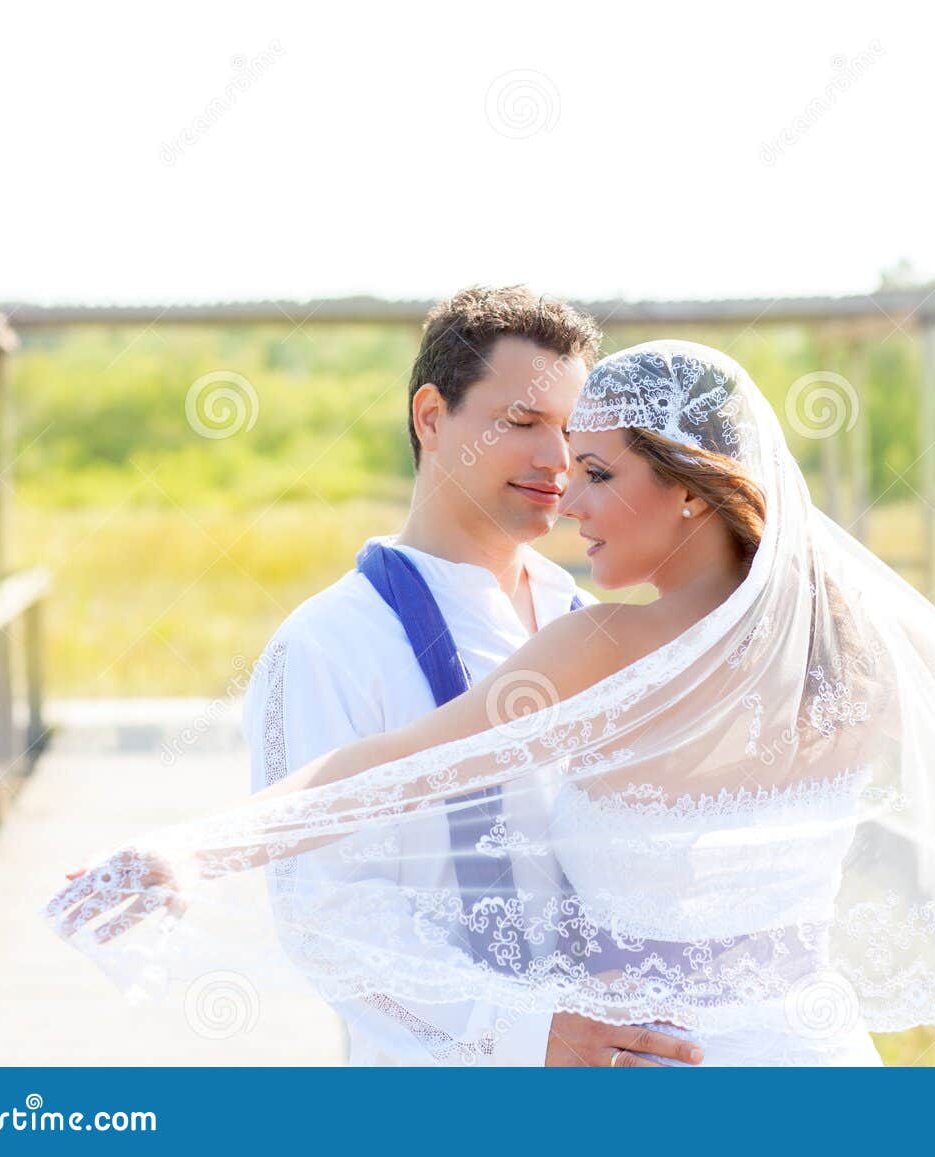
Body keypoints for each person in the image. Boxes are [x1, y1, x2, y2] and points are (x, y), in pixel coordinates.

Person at [45, 340, 935, 1065]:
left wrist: (187, 848)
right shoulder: (850, 637)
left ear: (690, 487)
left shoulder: (609, 647)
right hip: (813, 1060)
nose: (566, 502)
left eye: (599, 474)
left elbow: (373, 770)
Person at [236, 285, 699, 1067]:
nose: (558, 461)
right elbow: (322, 909)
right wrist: (527, 1033)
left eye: (573, 431)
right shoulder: (327, 644)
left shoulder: (594, 625)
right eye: (522, 423)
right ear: (429, 417)